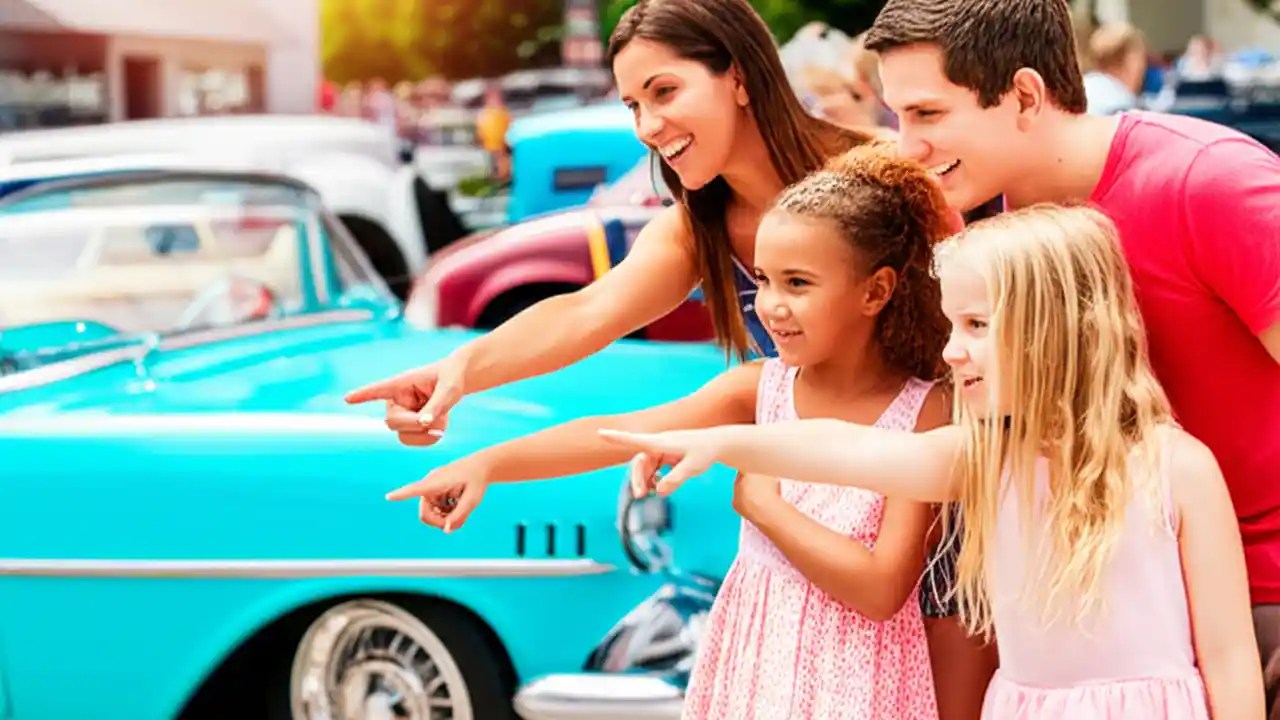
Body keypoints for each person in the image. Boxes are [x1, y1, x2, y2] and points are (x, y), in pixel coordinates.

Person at [347, 2, 998, 715]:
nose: (648, 127)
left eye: (664, 91)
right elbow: (588, 311)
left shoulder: (888, 187)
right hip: (809, 534)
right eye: (632, 105)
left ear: (740, 77)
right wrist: (460, 375)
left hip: (939, 507)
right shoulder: (700, 227)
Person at [602, 204, 1266, 720]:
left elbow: (1231, 656)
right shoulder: (982, 460)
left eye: (977, 326)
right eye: (953, 327)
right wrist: (726, 444)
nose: (951, 351)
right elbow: (851, 450)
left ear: (1057, 330)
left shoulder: (1177, 468)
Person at [386, 145, 954, 719]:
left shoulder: (924, 411)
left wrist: (764, 506)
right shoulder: (761, 388)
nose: (772, 306)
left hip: (859, 688)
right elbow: (619, 432)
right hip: (752, 669)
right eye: (765, 280)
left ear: (876, 291)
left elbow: (883, 591)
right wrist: (487, 464)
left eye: (799, 283)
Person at [859, 0, 1280, 710]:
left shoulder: (1211, 184)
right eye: (897, 115)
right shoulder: (974, 224)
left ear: (1025, 94)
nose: (907, 147)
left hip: (1256, 612)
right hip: (1070, 628)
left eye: (927, 115)